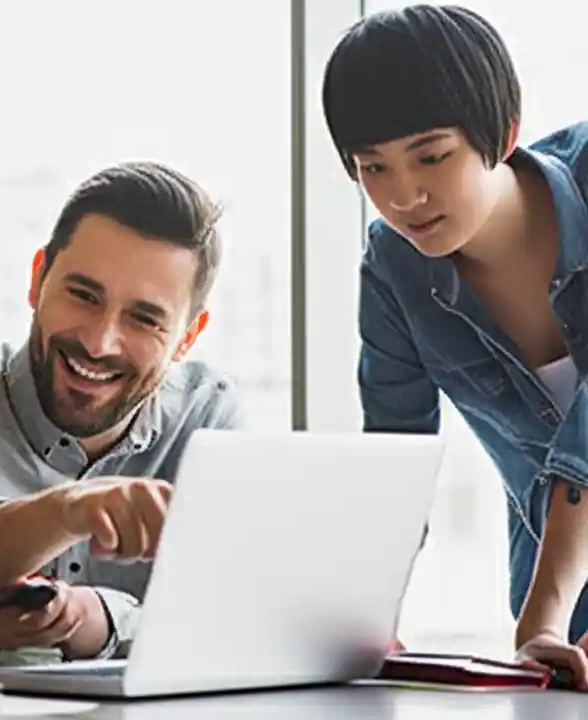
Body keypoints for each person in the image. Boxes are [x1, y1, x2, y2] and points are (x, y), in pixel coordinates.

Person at [0, 161, 242, 663]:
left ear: (187, 337)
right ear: (38, 280)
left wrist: (101, 618)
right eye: (82, 295)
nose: (99, 343)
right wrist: (70, 509)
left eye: (144, 319)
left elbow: (230, 619)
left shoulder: (207, 420)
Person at [323, 4, 588, 687]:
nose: (404, 195)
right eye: (372, 169)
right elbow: (395, 455)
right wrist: (363, 620)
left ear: (502, 131)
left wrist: (544, 619)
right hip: (559, 606)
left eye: (431, 156)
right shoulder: (393, 270)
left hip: (552, 606)